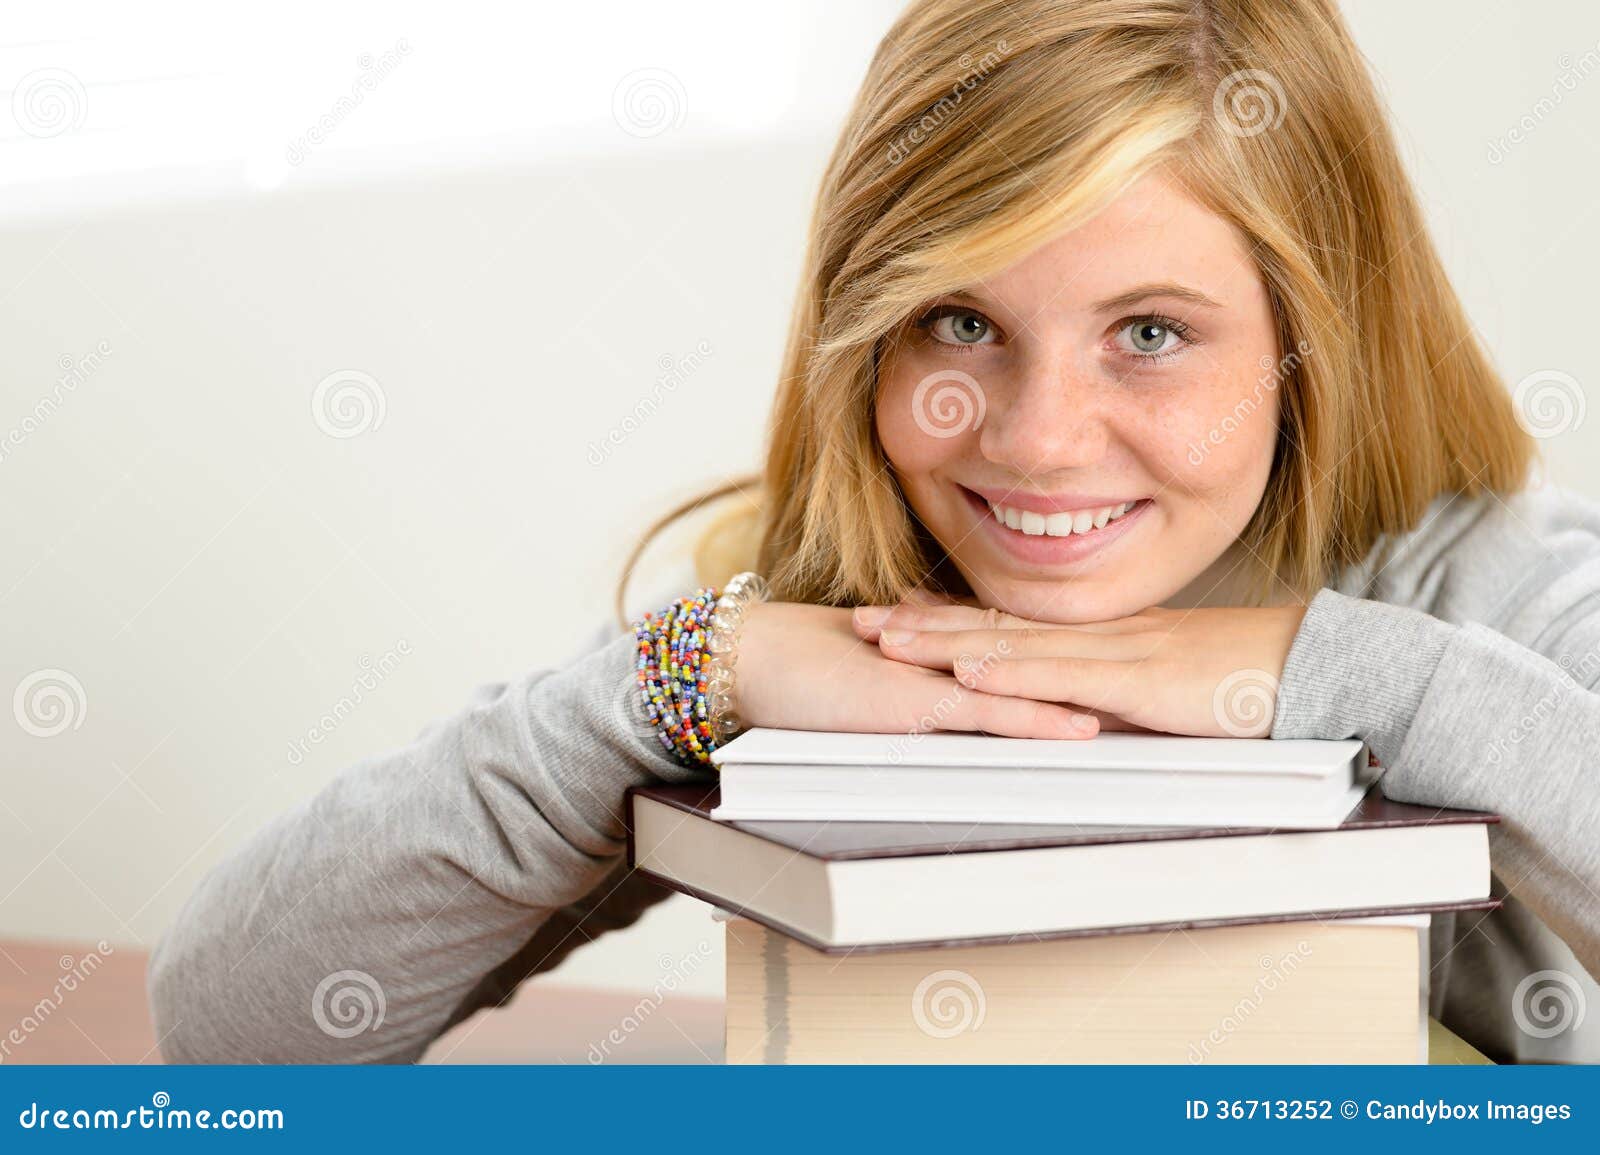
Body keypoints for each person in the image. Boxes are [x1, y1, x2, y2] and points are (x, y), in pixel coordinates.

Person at [149, 0, 1600, 1064]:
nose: (1037, 440)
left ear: (1317, 342)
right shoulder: (838, 612)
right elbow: (230, 1035)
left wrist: (1369, 681)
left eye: (1150, 333)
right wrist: (670, 683)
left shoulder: (1491, 593)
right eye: (959, 323)